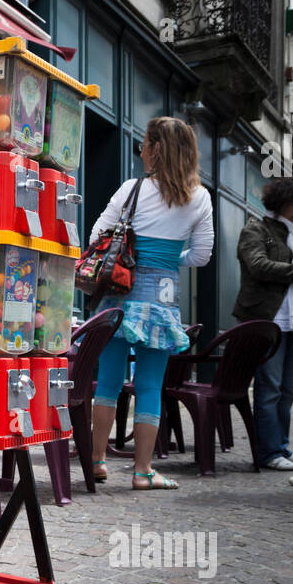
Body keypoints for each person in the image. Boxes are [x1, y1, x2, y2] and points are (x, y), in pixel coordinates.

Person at [90, 117, 214, 489]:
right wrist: (166, 259)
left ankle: (97, 461)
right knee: (149, 385)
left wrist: (136, 254)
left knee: (107, 382)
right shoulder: (200, 197)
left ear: (156, 149)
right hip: (162, 301)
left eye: (144, 144)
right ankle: (143, 472)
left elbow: (98, 235)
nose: (140, 151)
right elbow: (203, 255)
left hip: (119, 297)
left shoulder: (132, 189)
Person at [233, 178, 293, 472]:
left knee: (288, 389)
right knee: (269, 386)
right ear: (281, 203)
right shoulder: (256, 229)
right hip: (268, 319)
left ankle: (281, 445)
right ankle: (268, 452)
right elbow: (257, 265)